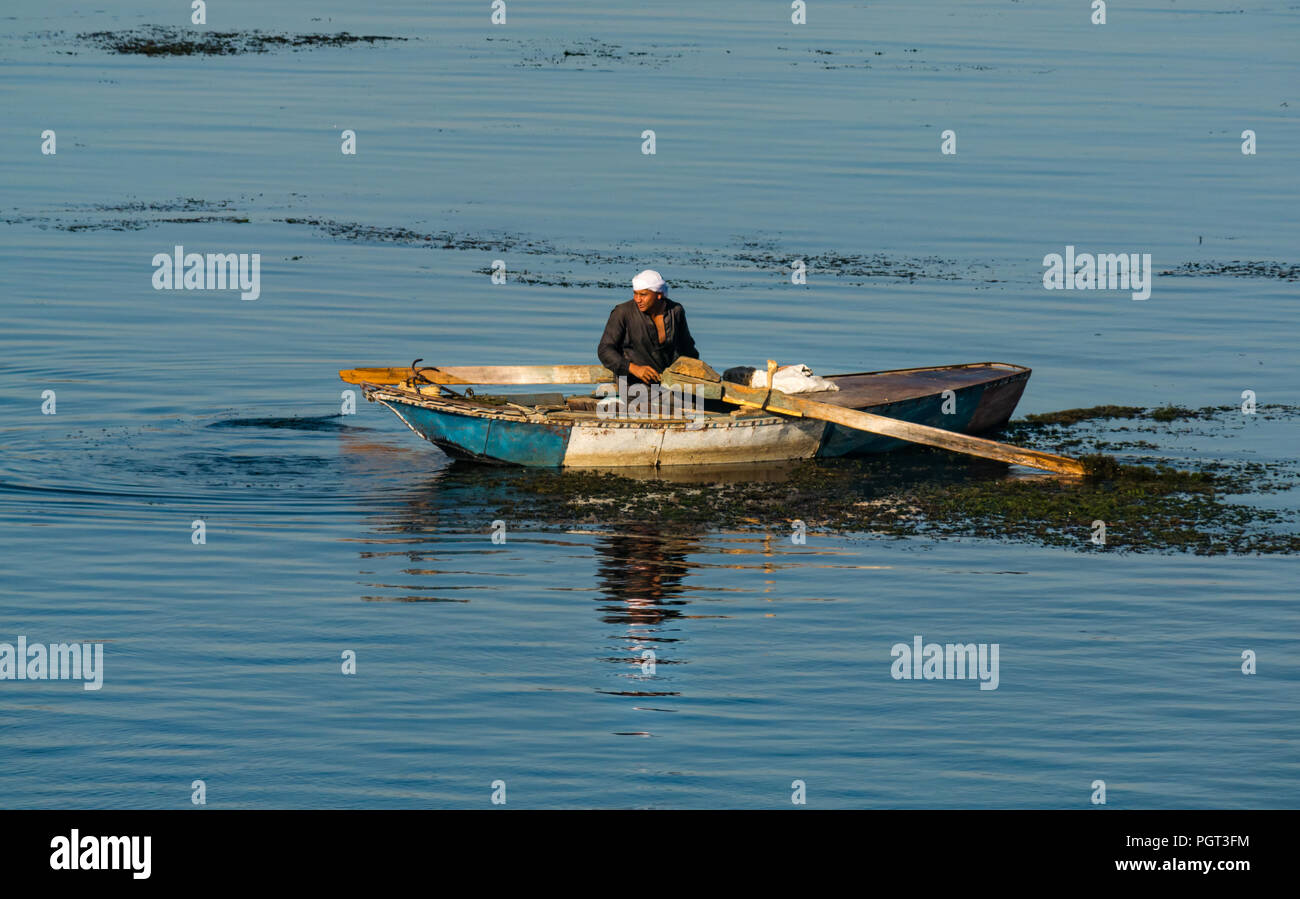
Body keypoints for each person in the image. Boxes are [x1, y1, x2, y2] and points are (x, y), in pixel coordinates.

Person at [597, 270, 699, 384]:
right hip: (633, 384)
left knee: (701, 400)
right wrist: (634, 369)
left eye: (643, 295)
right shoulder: (623, 312)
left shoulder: (675, 311)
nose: (638, 299)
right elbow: (604, 350)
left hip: (666, 382)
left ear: (659, 295)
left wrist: (696, 370)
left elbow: (687, 349)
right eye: (635, 294)